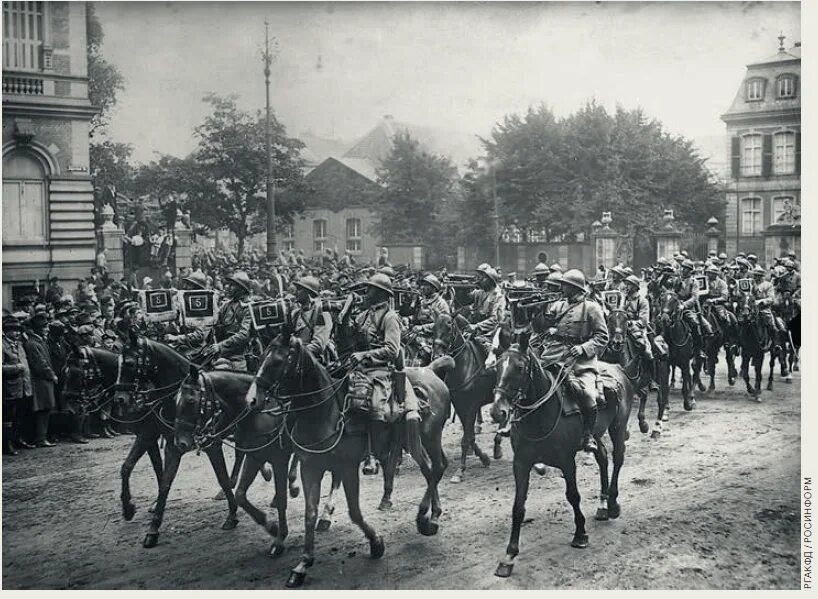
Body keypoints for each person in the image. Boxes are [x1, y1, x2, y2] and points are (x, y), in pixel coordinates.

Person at [539, 269, 609, 452]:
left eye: (565, 285)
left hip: (580, 361)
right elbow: (541, 326)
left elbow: (602, 337)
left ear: (574, 288)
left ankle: (588, 436)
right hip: (553, 355)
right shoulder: (557, 306)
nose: (561, 287)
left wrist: (583, 348)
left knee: (587, 395)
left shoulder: (591, 308)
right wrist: (537, 312)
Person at [200, 271, 253, 370]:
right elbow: (213, 323)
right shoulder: (226, 305)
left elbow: (243, 335)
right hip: (220, 354)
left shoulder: (249, 308)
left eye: (232, 285)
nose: (228, 287)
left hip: (238, 357)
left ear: (241, 288)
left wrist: (220, 346)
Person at [24, 313, 58, 448]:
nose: (47, 329)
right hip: (40, 381)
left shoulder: (39, 341)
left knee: (46, 408)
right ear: (37, 329)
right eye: (44, 327)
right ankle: (40, 438)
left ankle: (42, 437)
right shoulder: (33, 343)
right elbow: (40, 364)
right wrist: (51, 375)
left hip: (44, 380)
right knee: (43, 409)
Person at [3, 315, 33, 455]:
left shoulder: (19, 345)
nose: (17, 333)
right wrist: (16, 367)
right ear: (6, 331)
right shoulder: (3, 346)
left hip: (23, 386)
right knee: (8, 417)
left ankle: (17, 439)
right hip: (9, 387)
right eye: (13, 330)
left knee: (20, 415)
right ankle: (6, 444)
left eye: (18, 330)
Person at [466, 264, 507, 356]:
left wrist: (476, 326)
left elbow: (494, 320)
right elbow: (466, 298)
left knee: (481, 345)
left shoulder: (498, 296)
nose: (479, 280)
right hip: (478, 329)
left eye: (482, 278)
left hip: (492, 332)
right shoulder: (480, 292)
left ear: (490, 280)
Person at [291, 276, 333, 361]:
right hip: (297, 359)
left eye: (299, 289)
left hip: (315, 362)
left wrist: (294, 352)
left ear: (308, 293)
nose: (295, 292)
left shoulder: (321, 313)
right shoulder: (295, 313)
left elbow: (318, 345)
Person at [622, 275, 652, 361]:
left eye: (629, 285)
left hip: (637, 329)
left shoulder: (642, 301)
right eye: (626, 284)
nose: (626, 287)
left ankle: (649, 369)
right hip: (623, 328)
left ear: (635, 287)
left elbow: (644, 321)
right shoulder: (623, 299)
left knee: (644, 348)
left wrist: (631, 323)